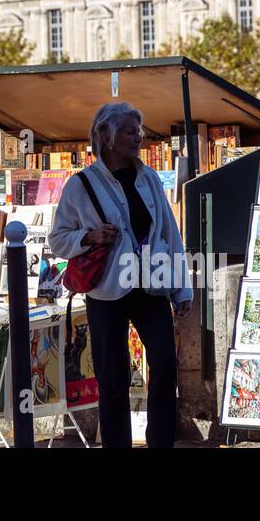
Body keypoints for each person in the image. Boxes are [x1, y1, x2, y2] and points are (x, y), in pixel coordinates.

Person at [48, 101, 193, 448]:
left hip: (150, 286)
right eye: (129, 130)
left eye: (139, 130)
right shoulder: (80, 186)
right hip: (106, 292)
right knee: (112, 377)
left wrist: (181, 290)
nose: (138, 137)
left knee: (164, 365)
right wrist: (90, 237)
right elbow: (58, 239)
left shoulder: (149, 178)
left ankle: (161, 443)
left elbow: (169, 234)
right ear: (105, 136)